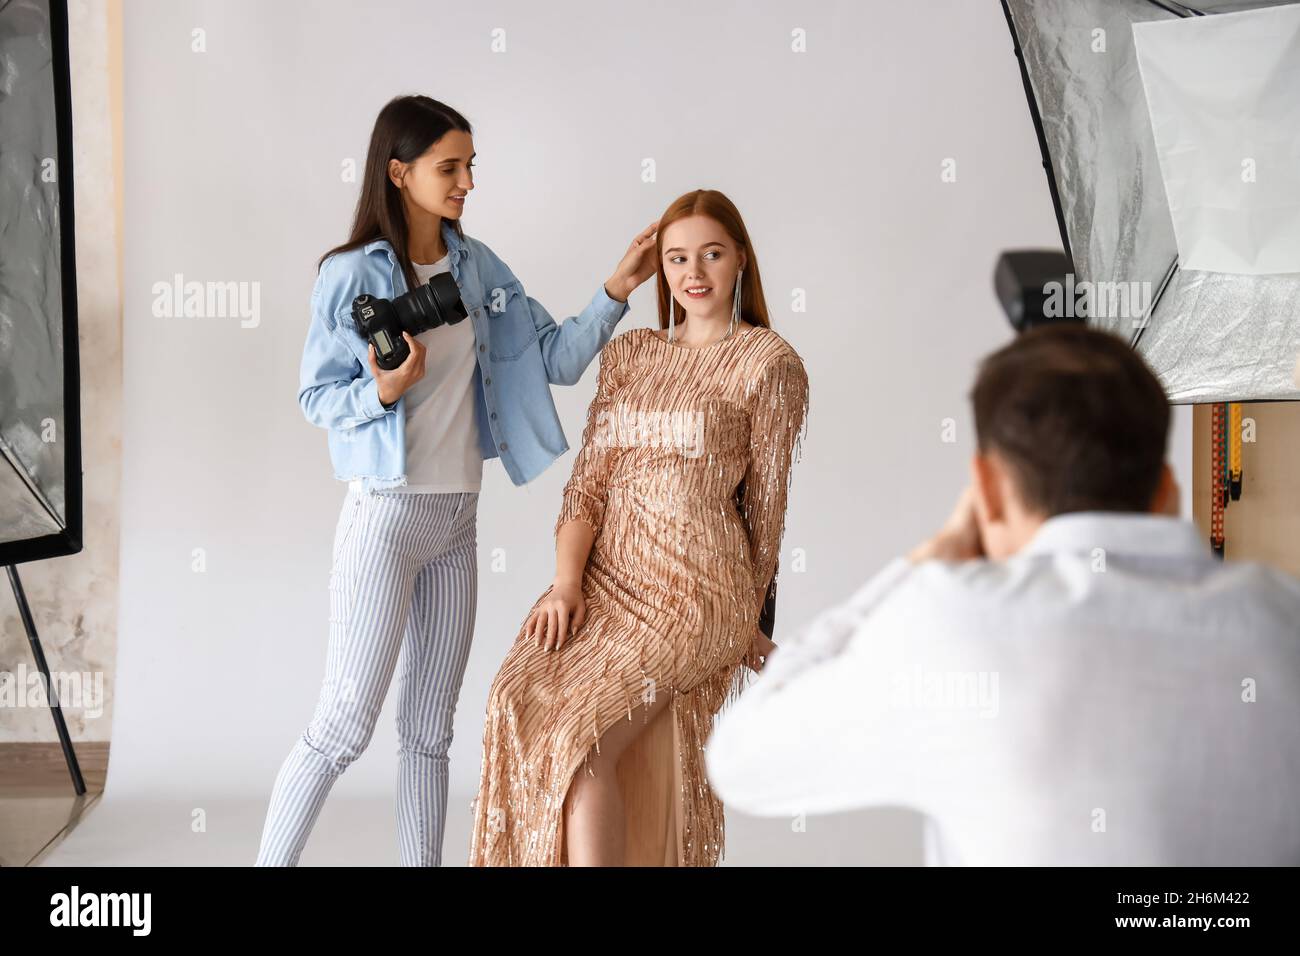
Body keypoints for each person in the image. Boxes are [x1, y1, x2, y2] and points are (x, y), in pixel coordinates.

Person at [705, 323, 1300, 866]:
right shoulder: (1282, 618)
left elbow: (740, 760)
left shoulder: (952, 624)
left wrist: (923, 564)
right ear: (1167, 491)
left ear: (986, 490)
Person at [255, 95, 657, 866]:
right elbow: (315, 398)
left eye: (471, 165)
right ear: (400, 173)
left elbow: (557, 360)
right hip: (385, 518)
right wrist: (381, 390)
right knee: (342, 725)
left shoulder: (479, 268)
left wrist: (617, 289)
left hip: (455, 525)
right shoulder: (350, 274)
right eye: (451, 166)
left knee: (430, 735)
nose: (467, 180)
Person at [467, 189, 809, 866]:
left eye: (712, 253)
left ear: (740, 258)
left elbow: (765, 516)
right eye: (677, 257)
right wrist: (567, 585)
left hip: (697, 593)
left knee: (583, 739)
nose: (695, 272)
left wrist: (749, 621)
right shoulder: (630, 355)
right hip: (604, 584)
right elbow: (587, 486)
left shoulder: (769, 364)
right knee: (515, 694)